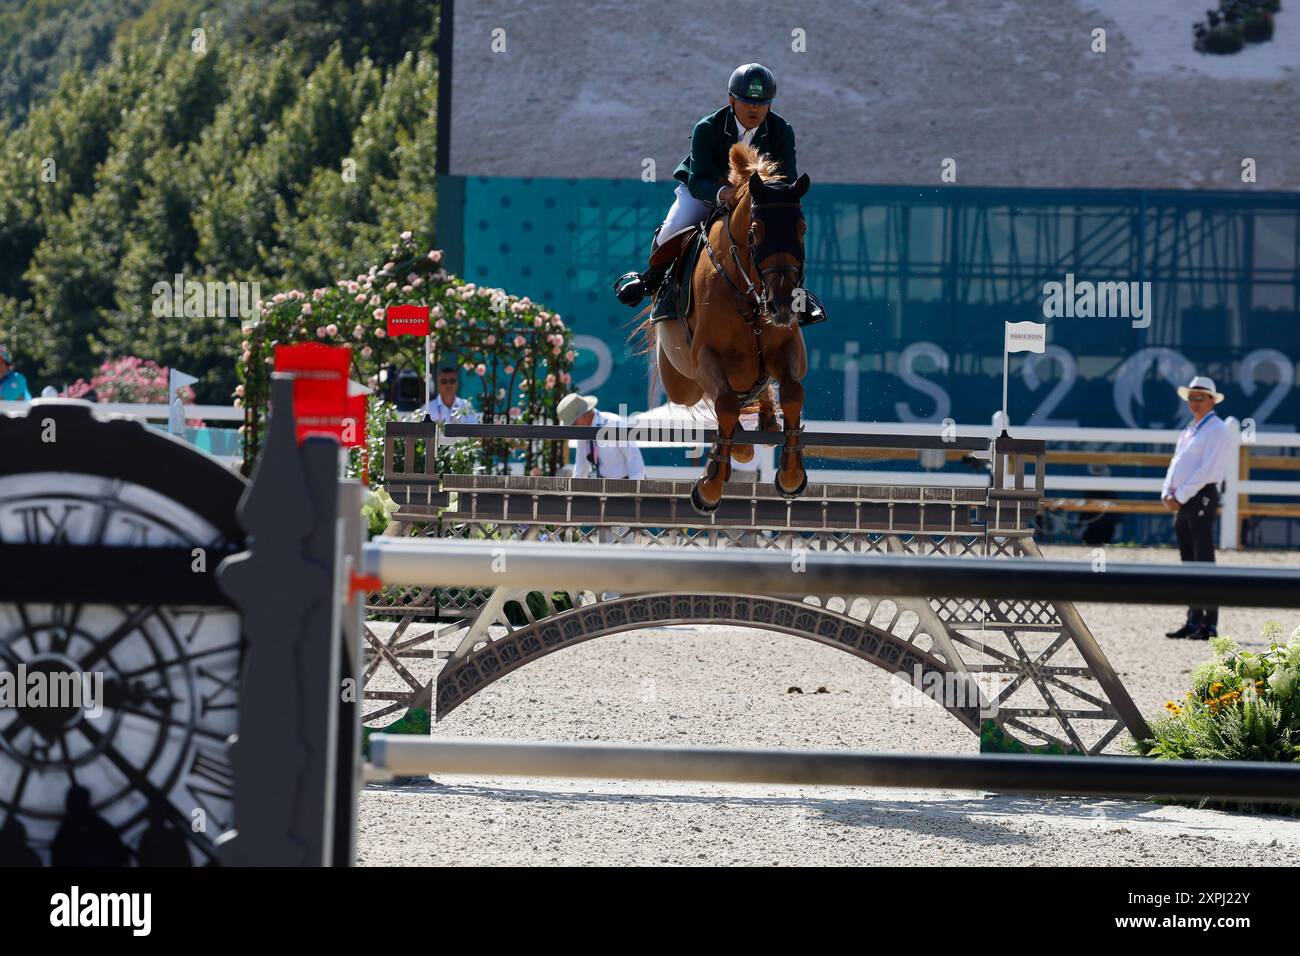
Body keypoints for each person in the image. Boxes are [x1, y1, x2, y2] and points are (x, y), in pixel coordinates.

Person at [610, 64, 823, 327]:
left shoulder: (781, 130)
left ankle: (797, 297)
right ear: (731, 99)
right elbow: (698, 181)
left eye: (762, 103)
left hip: (756, 200)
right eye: (746, 101)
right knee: (674, 228)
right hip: (705, 192)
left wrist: (759, 200)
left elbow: (785, 182)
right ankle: (652, 281)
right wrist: (724, 194)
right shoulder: (708, 127)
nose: (754, 109)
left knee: (787, 231)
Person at [1162, 375, 1231, 641]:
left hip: (1199, 495)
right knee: (1189, 560)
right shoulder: (1191, 428)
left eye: (1199, 397)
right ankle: (1193, 619)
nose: (1194, 402)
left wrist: (1178, 494)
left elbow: (1208, 471)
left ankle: (1208, 624)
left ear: (1212, 400)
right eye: (1191, 397)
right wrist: (1168, 492)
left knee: (1203, 558)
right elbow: (1176, 462)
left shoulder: (1217, 430)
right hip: (1186, 496)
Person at [559, 392, 645, 480]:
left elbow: (634, 459)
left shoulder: (614, 423)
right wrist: (575, 490)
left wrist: (635, 490)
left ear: (584, 415)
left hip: (626, 484)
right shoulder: (582, 433)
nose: (573, 428)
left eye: (573, 424)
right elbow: (581, 468)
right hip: (603, 485)